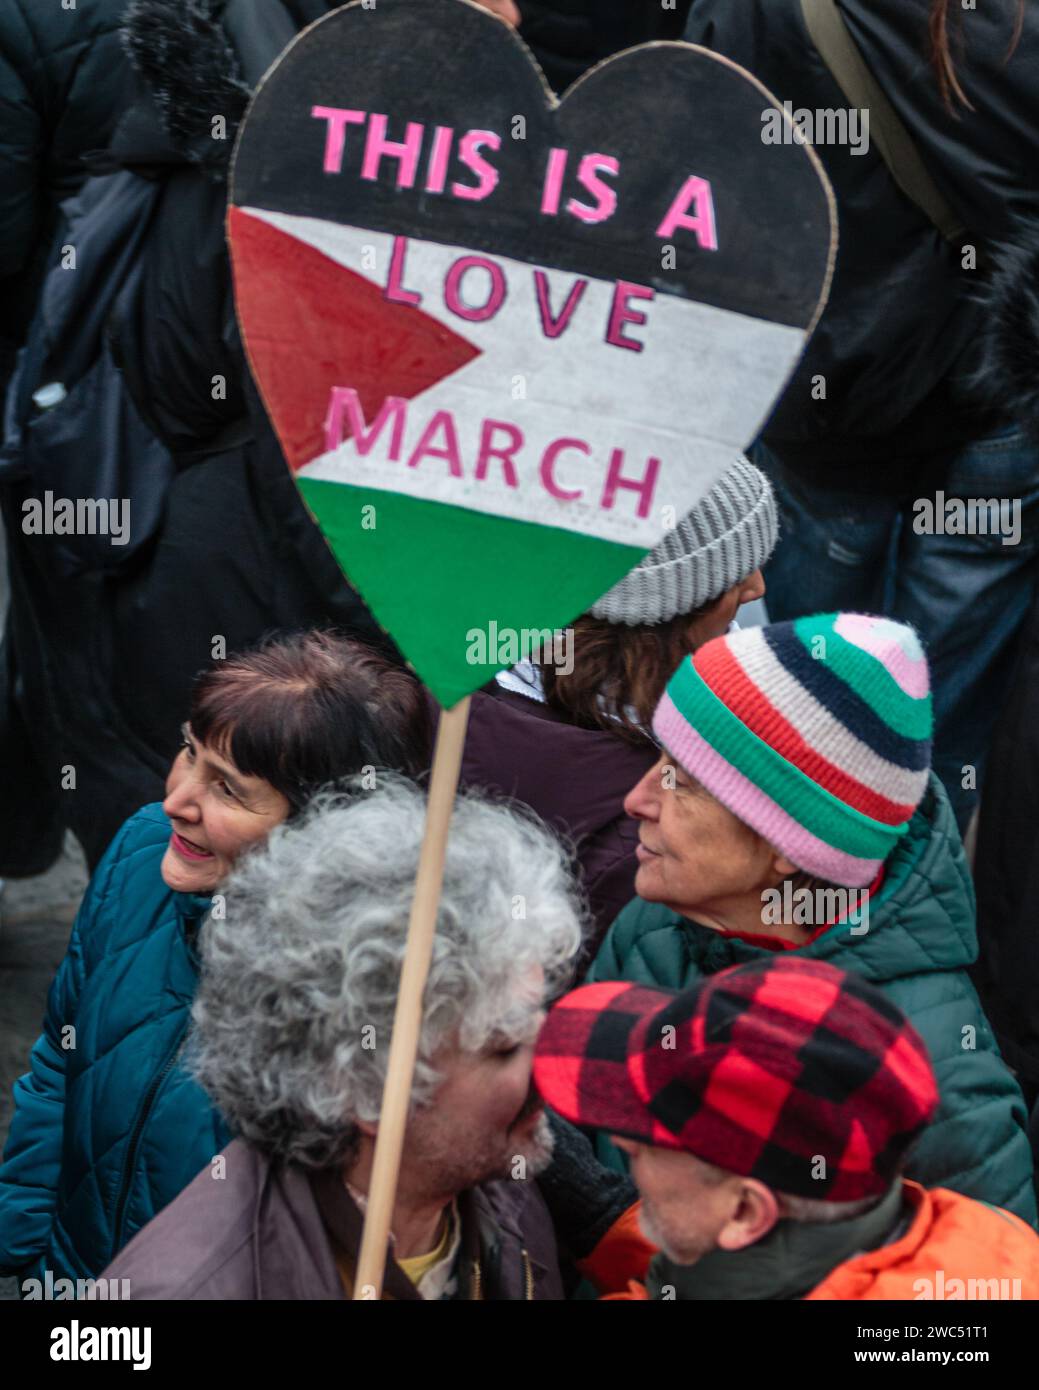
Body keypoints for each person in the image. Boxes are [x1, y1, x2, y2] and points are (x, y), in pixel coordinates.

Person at [669, 0, 1039, 833]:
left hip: (822, 398)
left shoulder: (749, 11)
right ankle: (915, 893)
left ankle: (808, 885)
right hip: (992, 395)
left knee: (814, 693)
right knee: (939, 713)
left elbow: (699, 177)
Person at [0, 630, 431, 1284]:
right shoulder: (142, 851)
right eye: (188, 752)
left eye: (228, 790)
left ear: (323, 829)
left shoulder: (374, 986)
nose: (176, 800)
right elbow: (60, 1066)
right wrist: (29, 1256)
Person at [587, 612, 1037, 1223]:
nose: (636, 800)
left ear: (787, 848)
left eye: (682, 783)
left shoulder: (940, 1089)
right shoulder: (658, 925)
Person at [101, 778, 582, 1299]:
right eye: (505, 1046)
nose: (554, 1061)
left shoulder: (502, 1188)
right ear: (365, 1087)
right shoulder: (190, 1288)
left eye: (541, 1017)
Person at [534, 957, 1039, 1300]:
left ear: (747, 1211)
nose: (620, 1141)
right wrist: (603, 1218)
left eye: (643, 1140)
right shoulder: (995, 1250)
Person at [461, 456, 774, 949]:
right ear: (659, 614)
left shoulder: (468, 676)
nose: (758, 586)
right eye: (729, 578)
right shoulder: (650, 839)